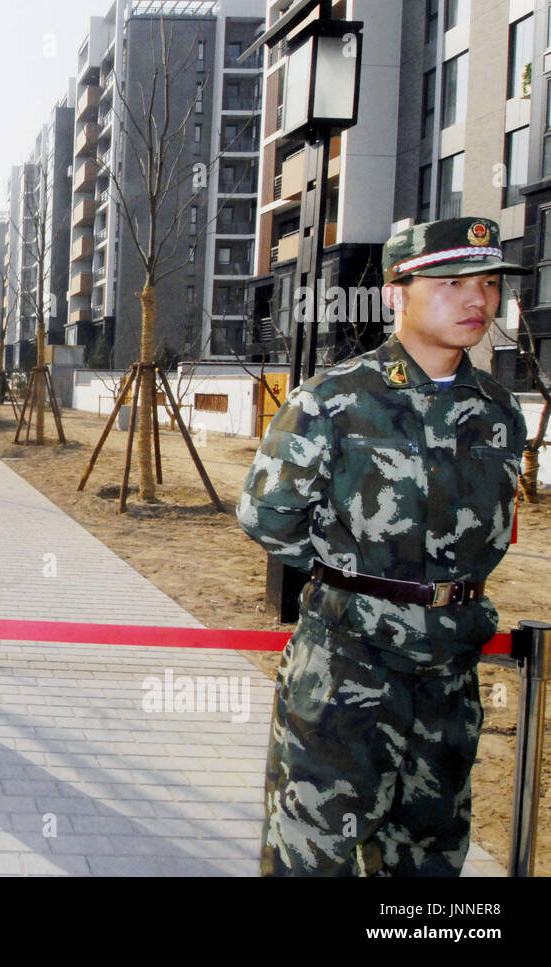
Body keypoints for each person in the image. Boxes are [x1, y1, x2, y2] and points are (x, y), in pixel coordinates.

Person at [237, 217, 528, 876]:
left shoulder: (498, 411)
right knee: (313, 855)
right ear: (397, 292)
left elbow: (495, 532)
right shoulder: (336, 401)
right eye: (452, 282)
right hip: (347, 672)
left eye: (486, 282)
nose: (477, 299)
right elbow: (266, 515)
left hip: (448, 678)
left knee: (427, 865)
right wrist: (356, 576)